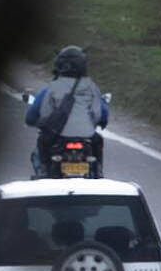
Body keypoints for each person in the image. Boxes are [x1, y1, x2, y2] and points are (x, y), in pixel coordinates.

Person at [24, 46, 111, 177]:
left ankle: (43, 173)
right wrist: (92, 124)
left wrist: (41, 124)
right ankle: (98, 172)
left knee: (41, 143)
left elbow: (41, 114)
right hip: (86, 135)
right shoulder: (91, 87)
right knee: (98, 141)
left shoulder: (52, 87)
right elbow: (100, 114)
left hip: (57, 136)